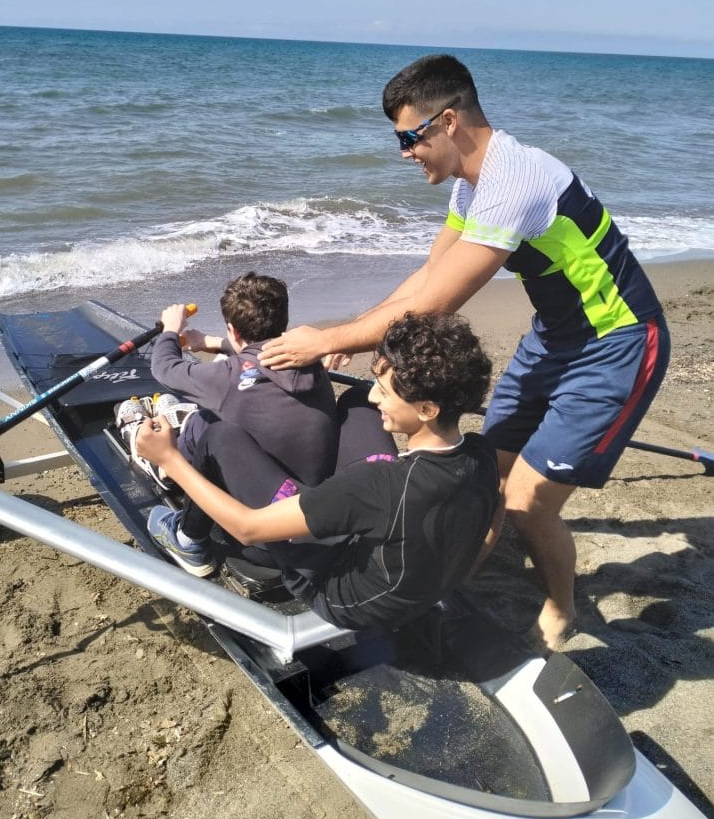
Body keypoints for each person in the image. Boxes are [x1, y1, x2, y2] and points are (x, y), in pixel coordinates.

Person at [259, 54, 670, 650]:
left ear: (448, 121)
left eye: (409, 137)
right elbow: (429, 276)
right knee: (483, 471)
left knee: (527, 504)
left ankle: (560, 607)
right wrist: (347, 333)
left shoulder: (514, 184)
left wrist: (326, 340)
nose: (404, 152)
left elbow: (438, 303)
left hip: (617, 345)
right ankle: (455, 578)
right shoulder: (470, 185)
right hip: (554, 338)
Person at [137, 312, 500, 632]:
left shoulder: (380, 485)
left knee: (221, 436)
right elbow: (492, 514)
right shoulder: (479, 453)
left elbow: (248, 528)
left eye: (386, 392)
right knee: (355, 402)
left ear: (427, 409)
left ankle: (187, 540)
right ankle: (322, 503)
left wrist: (169, 459)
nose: (375, 396)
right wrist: (456, 573)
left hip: (334, 590)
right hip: (371, 533)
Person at [149, 272, 338, 488]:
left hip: (262, 492)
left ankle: (166, 473)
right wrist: (212, 342)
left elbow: (164, 368)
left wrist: (170, 330)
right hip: (313, 482)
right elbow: (260, 353)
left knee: (201, 421)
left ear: (233, 331)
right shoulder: (311, 360)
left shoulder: (228, 377)